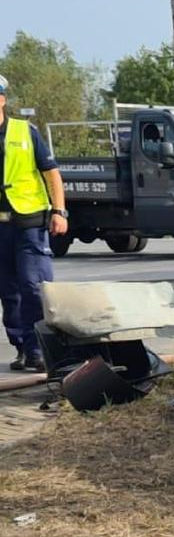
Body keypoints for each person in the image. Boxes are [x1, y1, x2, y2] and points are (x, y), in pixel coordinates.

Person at [0, 74, 68, 372]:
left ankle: (38, 347)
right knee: (8, 292)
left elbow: (51, 172)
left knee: (33, 286)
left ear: (2, 99)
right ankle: (22, 347)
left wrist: (59, 211)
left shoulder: (25, 132)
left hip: (29, 221)